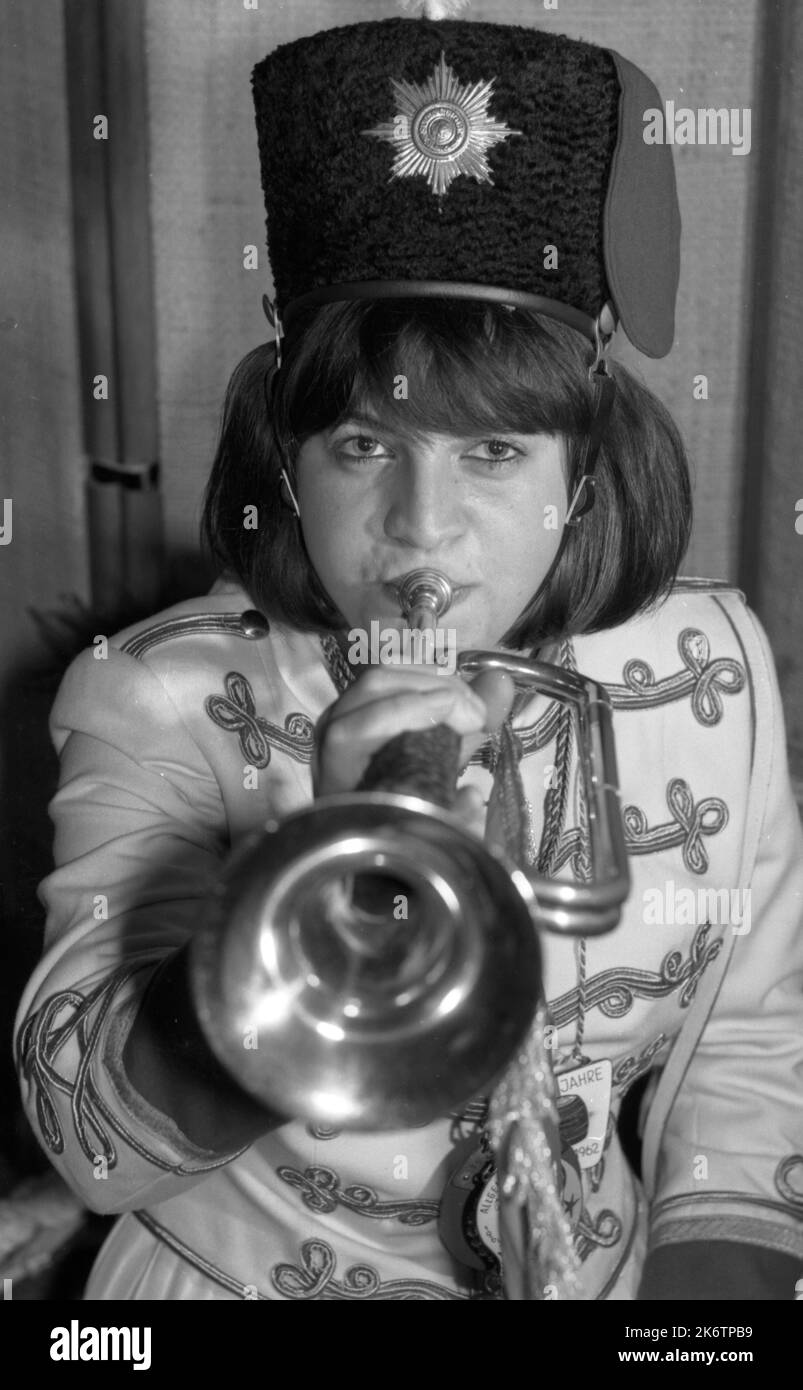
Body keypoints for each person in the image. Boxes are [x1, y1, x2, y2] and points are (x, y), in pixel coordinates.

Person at [14, 4, 803, 1301]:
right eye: (364, 446)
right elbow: (83, 1140)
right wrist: (318, 896)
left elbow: (752, 1065)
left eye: (492, 452)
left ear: (587, 468)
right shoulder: (153, 694)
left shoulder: (718, 666)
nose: (419, 531)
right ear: (286, 458)